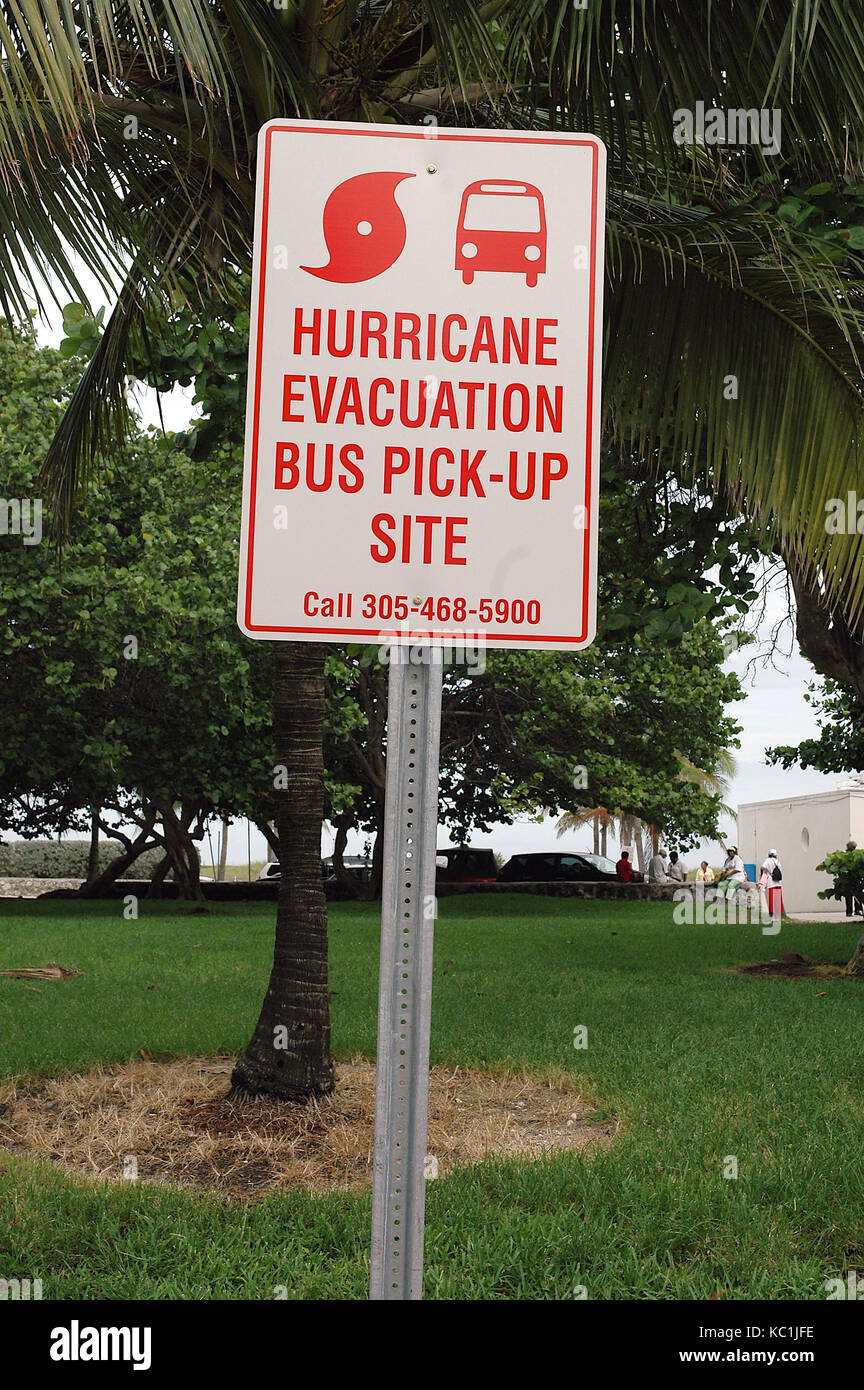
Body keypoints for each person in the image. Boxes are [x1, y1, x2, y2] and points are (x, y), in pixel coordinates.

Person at [758, 847, 783, 917]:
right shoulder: (778, 861)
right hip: (778, 882)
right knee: (778, 897)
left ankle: (771, 913)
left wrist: (763, 873)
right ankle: (778, 912)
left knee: (771, 897)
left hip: (771, 881)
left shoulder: (768, 860)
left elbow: (762, 867)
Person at [843, 840, 863, 918]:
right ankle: (849, 911)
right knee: (848, 895)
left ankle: (857, 910)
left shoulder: (856, 854)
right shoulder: (843, 855)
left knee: (857, 894)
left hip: (855, 877)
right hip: (847, 877)